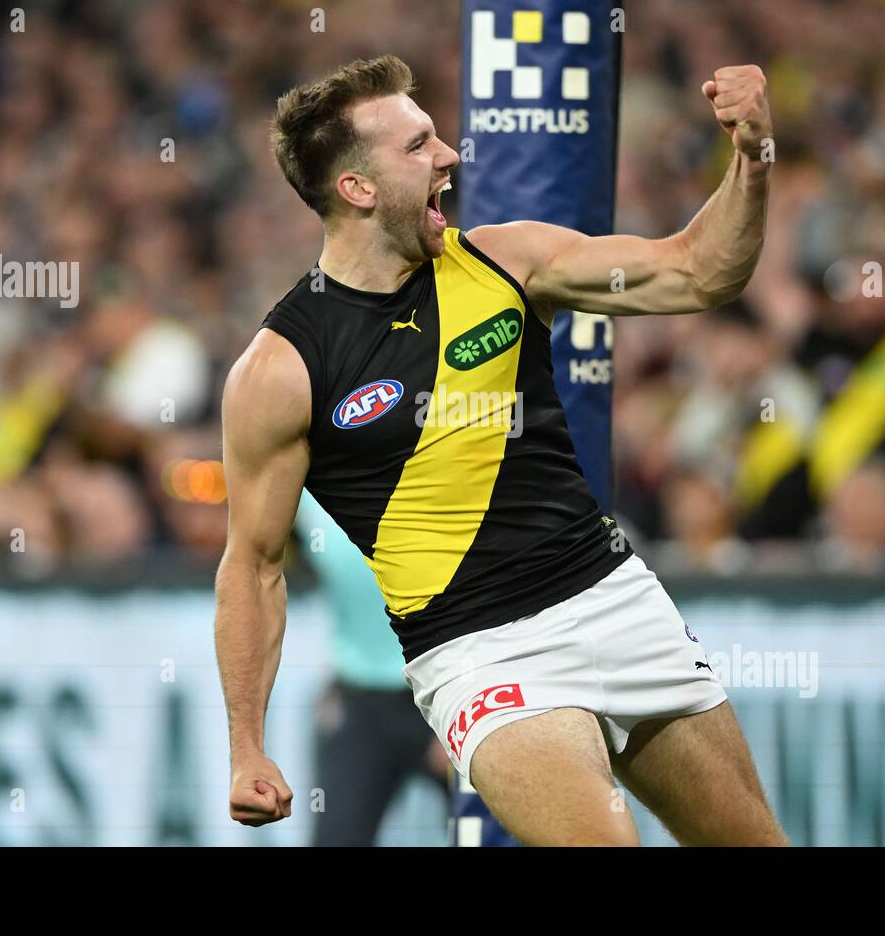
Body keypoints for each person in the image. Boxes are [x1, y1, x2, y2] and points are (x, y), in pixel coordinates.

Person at [215, 55, 787, 845]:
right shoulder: (281, 368)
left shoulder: (505, 259)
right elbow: (253, 563)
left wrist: (751, 155)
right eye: (417, 146)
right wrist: (247, 745)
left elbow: (698, 272)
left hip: (617, 598)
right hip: (481, 651)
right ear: (357, 189)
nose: (450, 155)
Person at [294, 489, 449, 845]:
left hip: (443, 691)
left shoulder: (433, 460)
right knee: (336, 837)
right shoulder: (303, 481)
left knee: (488, 831)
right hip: (358, 695)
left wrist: (465, 701)